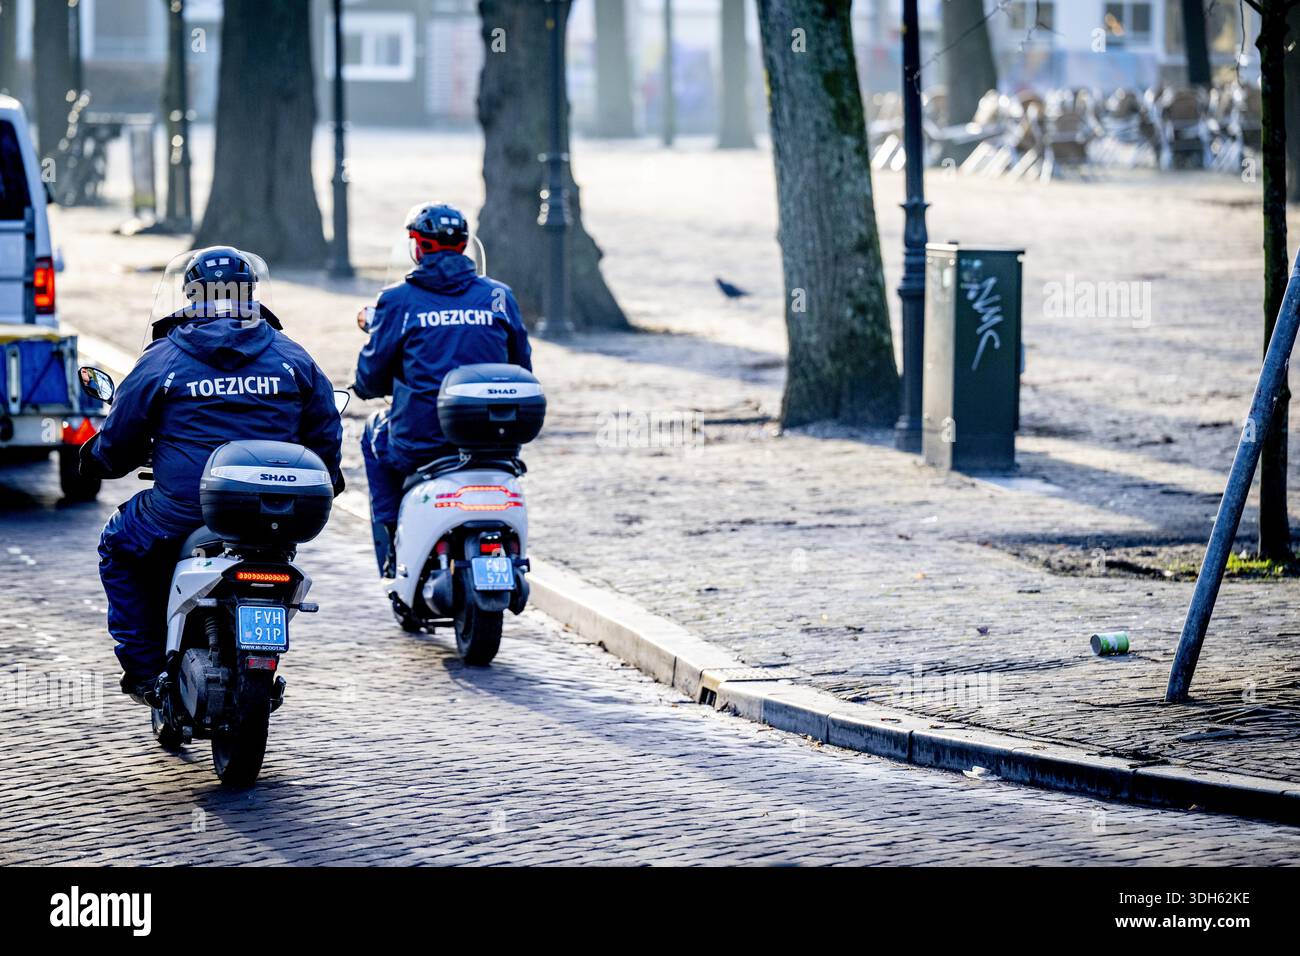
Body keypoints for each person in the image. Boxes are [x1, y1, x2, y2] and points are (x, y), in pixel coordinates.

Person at [81, 246, 344, 704]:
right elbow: (325, 427)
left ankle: (146, 672)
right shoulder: (292, 358)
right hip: (276, 510)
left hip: (182, 509)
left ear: (191, 296)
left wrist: (99, 462)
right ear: (251, 295)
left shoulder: (163, 359)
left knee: (118, 545)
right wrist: (329, 480)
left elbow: (120, 437)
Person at [352, 202, 532, 576]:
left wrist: (370, 385)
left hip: (420, 441)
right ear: (465, 246)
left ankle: (390, 540)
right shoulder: (499, 297)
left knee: (372, 436)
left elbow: (370, 378)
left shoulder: (398, 301)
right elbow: (522, 368)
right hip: (495, 439)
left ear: (417, 247)